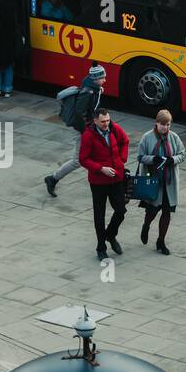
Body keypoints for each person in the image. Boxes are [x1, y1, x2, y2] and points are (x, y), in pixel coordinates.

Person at [45, 63, 106, 197]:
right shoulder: (88, 92)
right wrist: (86, 131)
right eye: (102, 78)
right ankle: (53, 178)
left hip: (90, 128)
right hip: (83, 129)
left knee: (100, 155)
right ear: (95, 79)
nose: (105, 80)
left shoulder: (93, 88)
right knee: (78, 160)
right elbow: (80, 113)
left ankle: (105, 184)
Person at [79, 107, 129, 259]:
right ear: (95, 121)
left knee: (121, 210)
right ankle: (101, 248)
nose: (106, 124)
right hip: (99, 182)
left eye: (107, 120)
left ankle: (110, 234)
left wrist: (122, 160)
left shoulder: (114, 128)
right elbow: (83, 159)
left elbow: (125, 141)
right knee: (99, 216)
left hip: (116, 178)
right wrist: (101, 169)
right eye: (103, 122)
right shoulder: (88, 136)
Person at [136, 109, 186, 255]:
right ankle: (146, 225)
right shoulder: (147, 137)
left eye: (168, 125)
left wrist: (172, 159)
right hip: (153, 181)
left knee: (166, 212)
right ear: (156, 123)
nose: (165, 127)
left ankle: (161, 241)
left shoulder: (174, 138)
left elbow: (182, 154)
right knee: (152, 210)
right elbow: (140, 157)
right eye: (162, 124)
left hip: (169, 182)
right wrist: (153, 159)